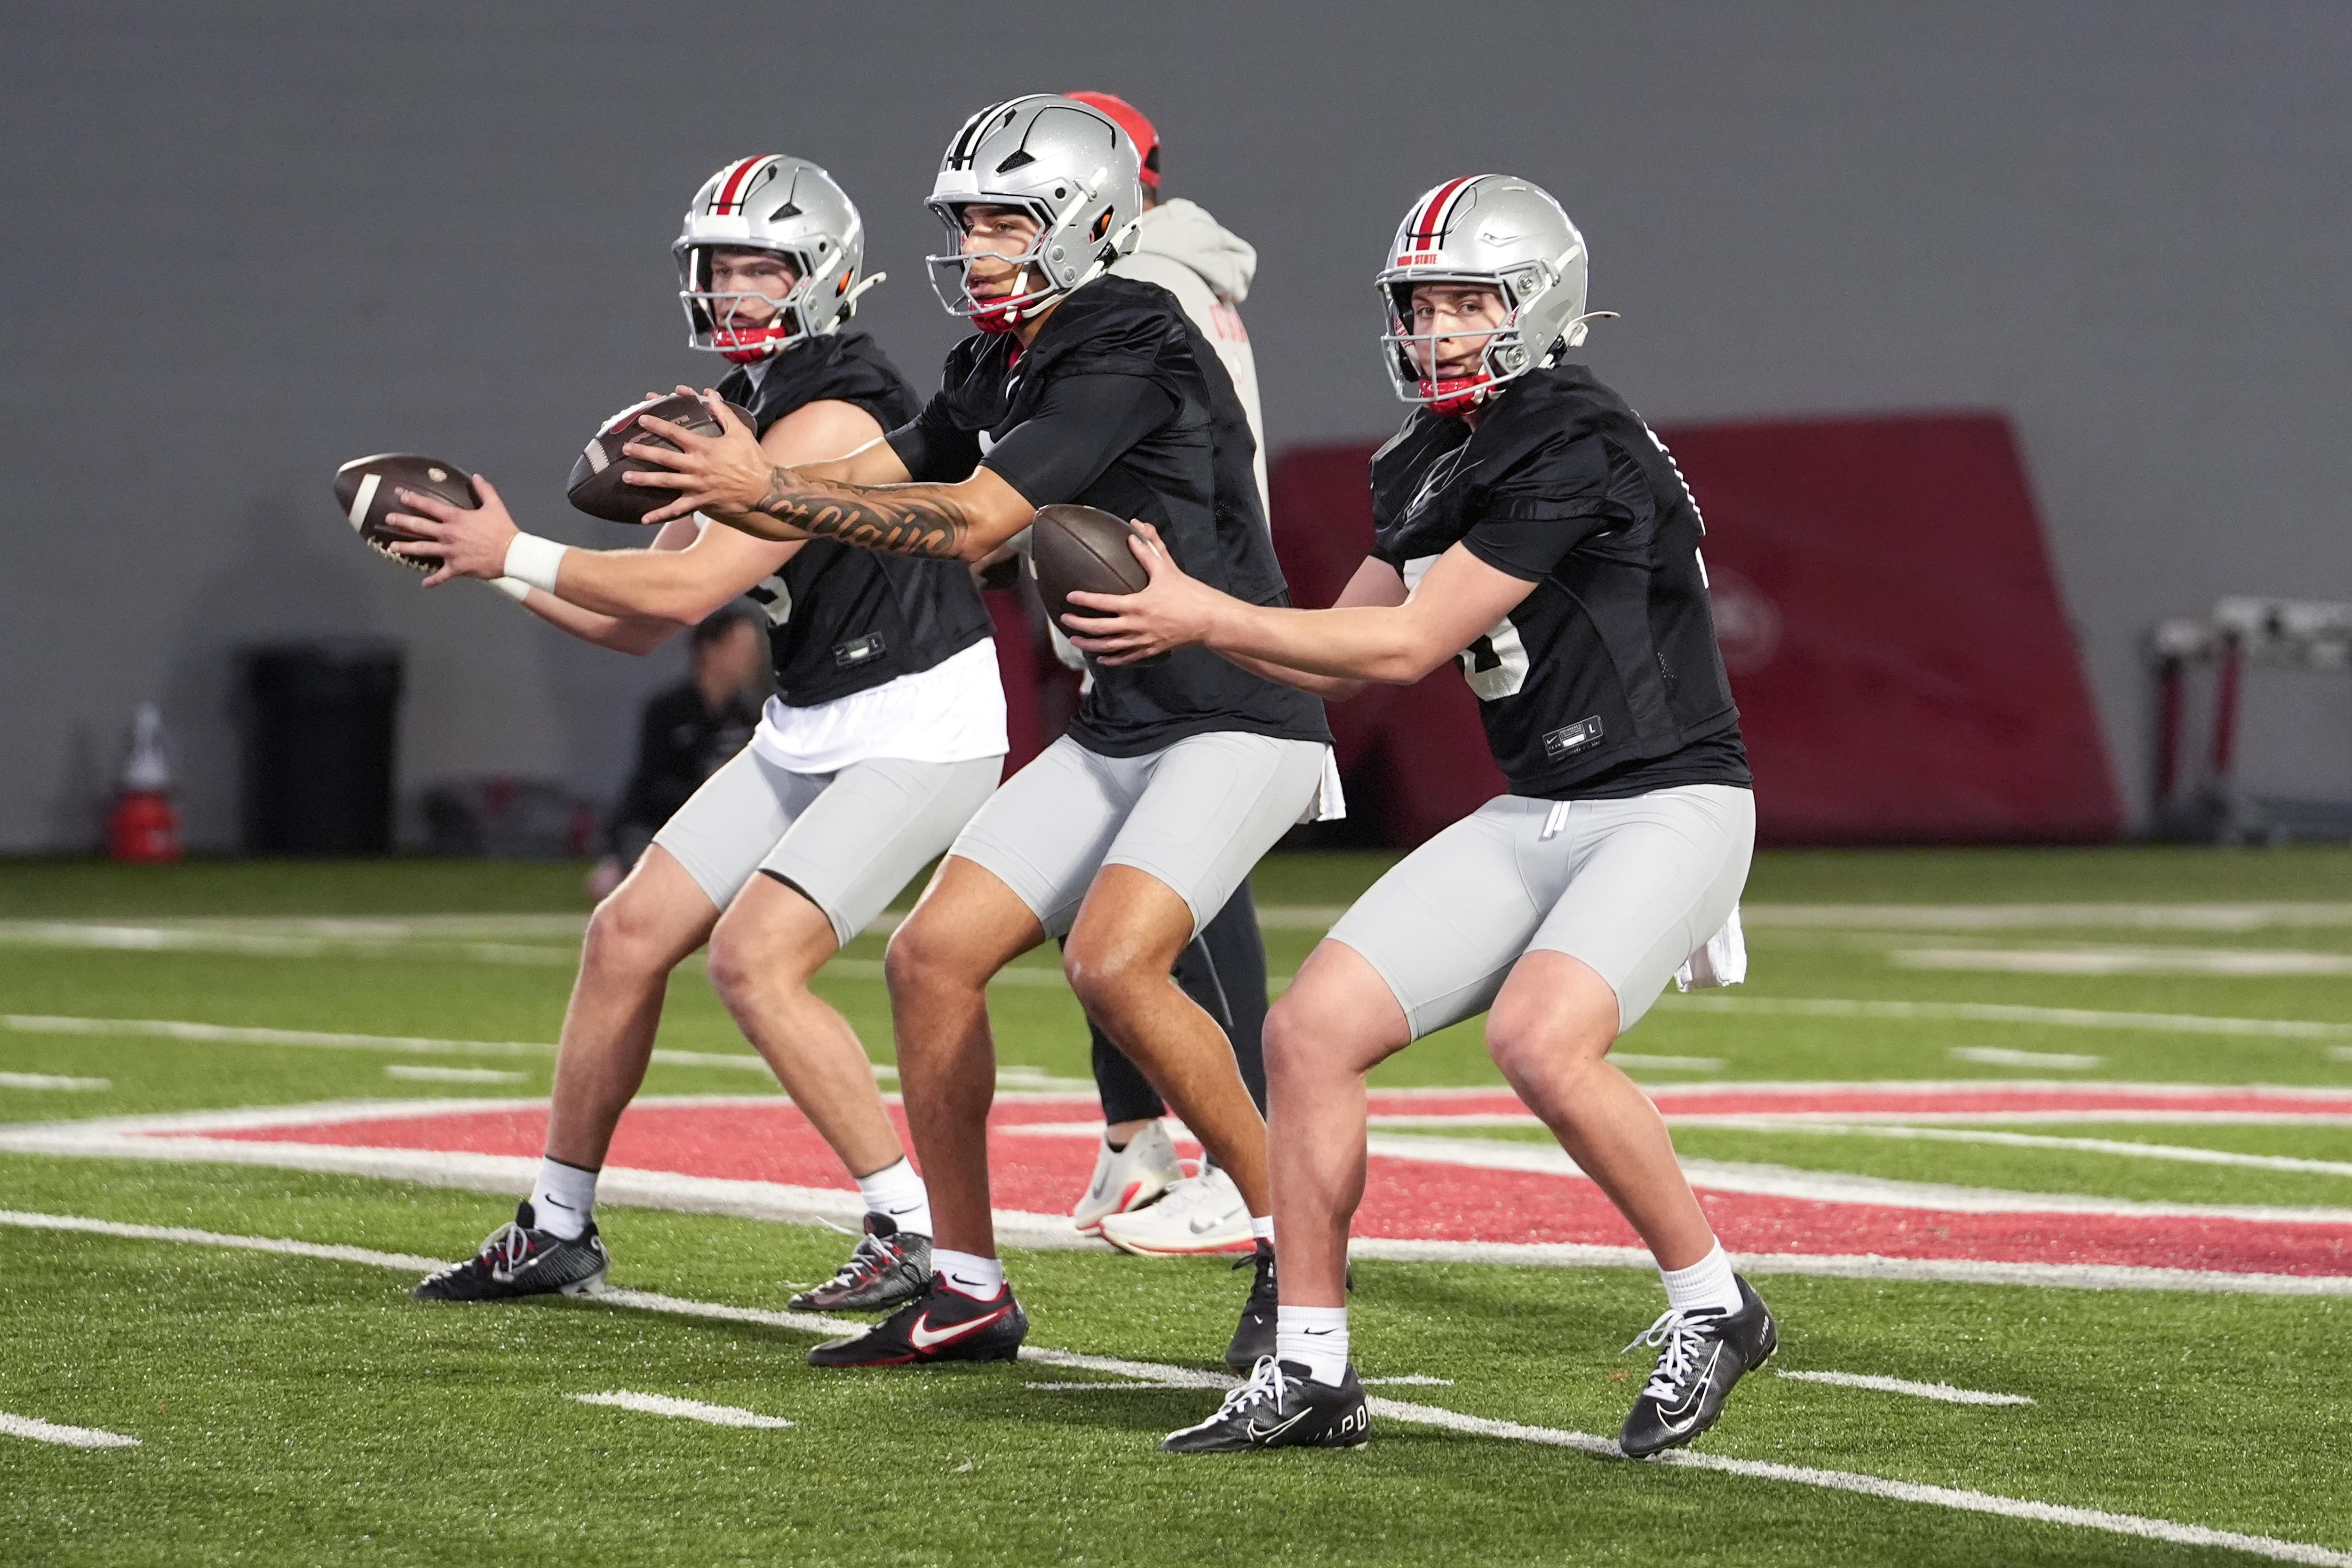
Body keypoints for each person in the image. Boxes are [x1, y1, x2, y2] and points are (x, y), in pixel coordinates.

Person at [1056, 175, 1773, 1457]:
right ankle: (1313, 1367)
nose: (1439, 328)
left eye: (1470, 300)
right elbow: (1335, 647)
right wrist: (1178, 617)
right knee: (1312, 1031)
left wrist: (1202, 615)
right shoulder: (1427, 453)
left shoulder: (1571, 434)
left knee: (1543, 1040)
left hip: (1669, 796)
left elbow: (1408, 646)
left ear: (1539, 305)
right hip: (1542, 799)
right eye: (1422, 303)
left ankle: (1713, 1301)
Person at [625, 95, 1336, 1372]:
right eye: (970, 222)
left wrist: (765, 492)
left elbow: (970, 523)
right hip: (1128, 718)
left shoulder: (1128, 330)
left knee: (1115, 962)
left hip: (1237, 706)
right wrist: (743, 492)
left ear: (1096, 222)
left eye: (1010, 220)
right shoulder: (1002, 355)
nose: (985, 247)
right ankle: (965, 1287)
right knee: (930, 958)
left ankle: (1297, 1249)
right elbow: (896, 466)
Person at [388, 156, 1006, 1315]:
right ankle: (555, 1225)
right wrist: (501, 564)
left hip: (919, 718)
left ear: (822, 276)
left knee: (754, 958)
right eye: (719, 267)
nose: (733, 288)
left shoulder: (835, 406)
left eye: (760, 266)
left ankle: (913, 1228)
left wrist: (510, 553)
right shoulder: (734, 408)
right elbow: (637, 624)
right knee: (626, 935)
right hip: (814, 714)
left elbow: (690, 591)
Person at [1056, 89, 1275, 1257]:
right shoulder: (1154, 276)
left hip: (1184, 616)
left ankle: (1256, 1165)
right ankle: (1134, 1135)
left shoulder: (1150, 290)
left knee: (1192, 906)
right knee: (1099, 891)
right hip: (1140, 616)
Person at [592, 608, 764, 900]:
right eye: (741, 650)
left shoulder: (751, 716)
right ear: (710, 651)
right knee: (644, 892)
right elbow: (650, 783)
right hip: (663, 825)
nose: (752, 661)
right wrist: (707, 786)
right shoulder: (668, 711)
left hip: (723, 831)